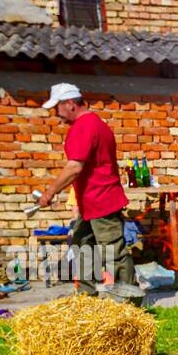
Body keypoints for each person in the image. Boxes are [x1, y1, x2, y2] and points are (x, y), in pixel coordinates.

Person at [38, 82, 139, 301]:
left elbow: (75, 166)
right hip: (90, 202)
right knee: (82, 245)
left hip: (101, 200)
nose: (57, 114)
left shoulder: (85, 127)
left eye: (58, 107)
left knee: (113, 252)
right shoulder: (96, 124)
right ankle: (86, 298)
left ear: (70, 103)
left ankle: (131, 302)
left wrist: (50, 192)